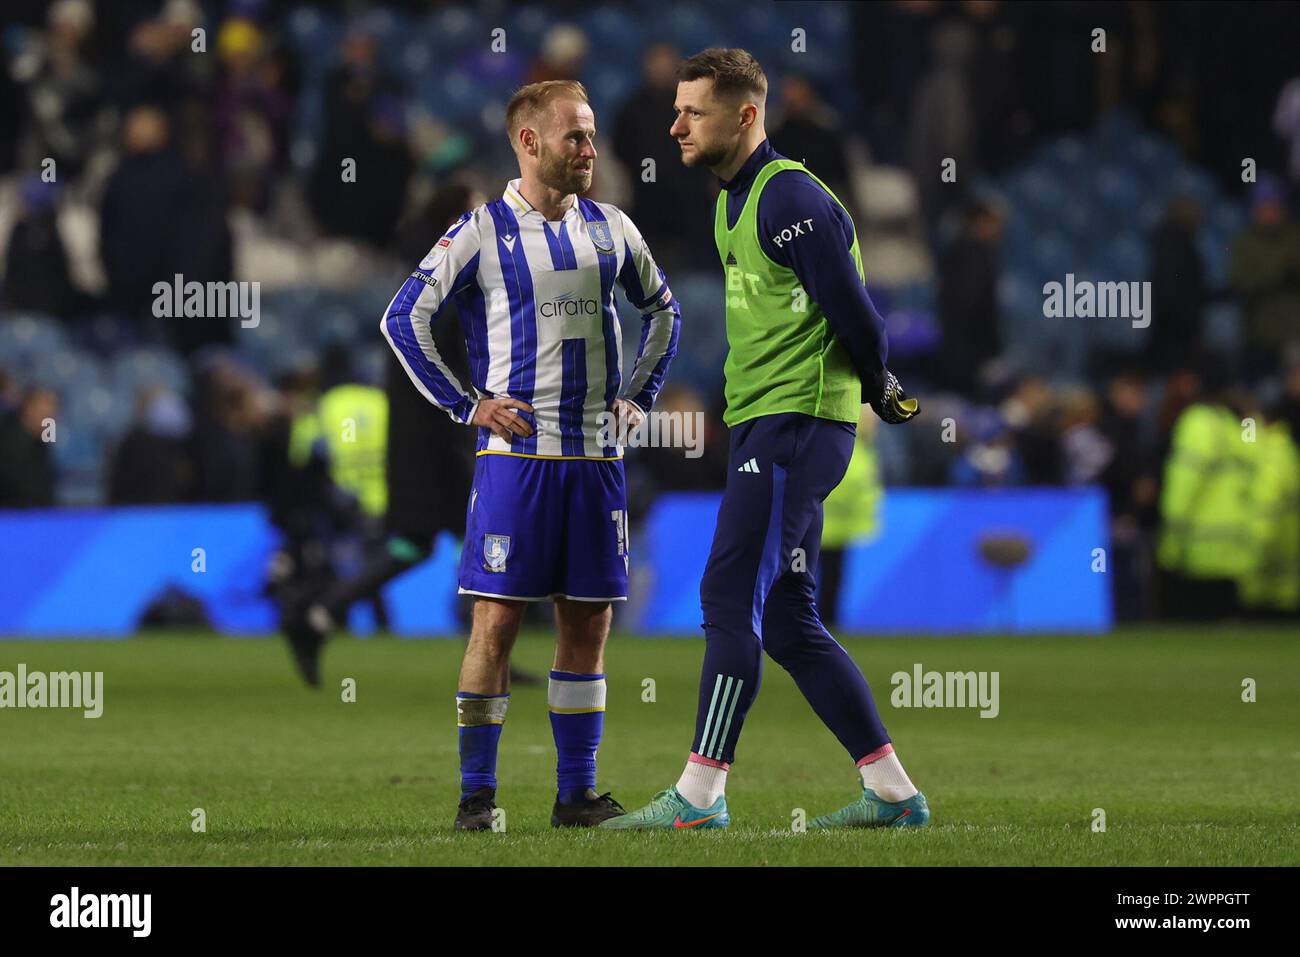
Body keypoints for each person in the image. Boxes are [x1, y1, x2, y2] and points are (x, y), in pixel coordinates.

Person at [606, 49, 928, 832]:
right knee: (787, 619)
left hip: (792, 424)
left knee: (726, 597)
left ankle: (699, 796)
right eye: (676, 110)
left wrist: (879, 382)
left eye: (694, 112)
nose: (676, 124)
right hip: (768, 422)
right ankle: (892, 792)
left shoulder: (789, 197)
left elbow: (859, 314)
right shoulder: (732, 202)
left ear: (745, 115)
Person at [381, 80, 680, 831]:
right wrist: (466, 404)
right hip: (516, 463)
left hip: (596, 463)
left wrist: (639, 398)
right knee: (496, 625)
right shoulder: (480, 231)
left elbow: (665, 312)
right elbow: (403, 316)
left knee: (588, 627)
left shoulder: (613, 228)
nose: (588, 149)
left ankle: (575, 794)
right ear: (528, 142)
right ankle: (476, 797)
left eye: (590, 134)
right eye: (574, 136)